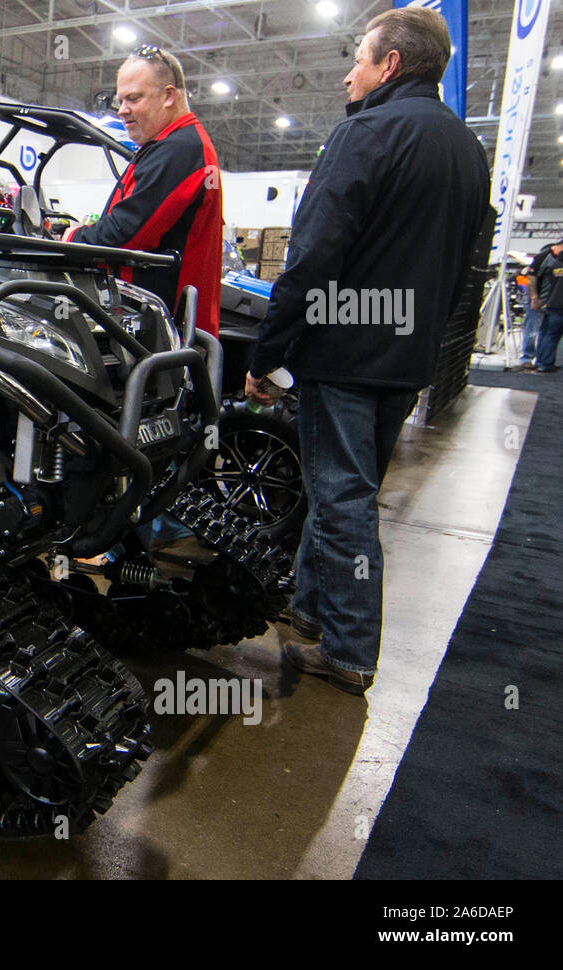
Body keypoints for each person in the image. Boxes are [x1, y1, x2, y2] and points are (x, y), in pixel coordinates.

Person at [246, 6, 490, 694]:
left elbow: (313, 254)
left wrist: (270, 350)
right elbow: (464, 270)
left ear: (389, 65)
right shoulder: (466, 150)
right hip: (408, 359)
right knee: (343, 492)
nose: (348, 73)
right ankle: (311, 608)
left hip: (346, 356)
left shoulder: (365, 133)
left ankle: (350, 651)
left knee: (344, 499)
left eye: (357, 57)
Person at [62, 45, 223, 337]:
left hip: (165, 329)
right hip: (155, 323)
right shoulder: (169, 146)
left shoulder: (180, 150)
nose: (122, 110)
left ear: (169, 96)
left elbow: (128, 234)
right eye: (120, 100)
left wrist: (72, 239)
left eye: (133, 98)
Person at [522, 239, 563, 372]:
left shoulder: (557, 263)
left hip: (549, 301)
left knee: (546, 332)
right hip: (539, 299)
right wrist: (534, 298)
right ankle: (528, 359)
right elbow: (531, 279)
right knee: (535, 330)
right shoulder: (544, 257)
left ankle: (542, 361)